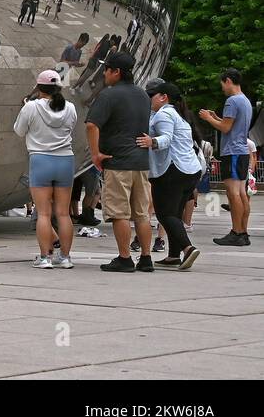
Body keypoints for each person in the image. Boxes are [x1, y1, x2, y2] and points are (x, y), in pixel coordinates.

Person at [87, 52, 154, 272]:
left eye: (106, 69)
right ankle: (146, 258)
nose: (104, 73)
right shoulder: (144, 95)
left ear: (116, 72)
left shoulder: (109, 95)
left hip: (118, 162)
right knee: (142, 214)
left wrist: (95, 154)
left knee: (119, 213)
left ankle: (124, 258)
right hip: (141, 163)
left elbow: (92, 125)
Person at [14, 70, 77, 268]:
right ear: (59, 87)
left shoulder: (31, 107)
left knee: (43, 214)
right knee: (64, 213)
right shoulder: (70, 108)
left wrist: (25, 108)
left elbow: (19, 130)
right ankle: (65, 258)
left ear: (39, 87)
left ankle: (44, 258)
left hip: (41, 160)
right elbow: (71, 128)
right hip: (65, 160)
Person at [140, 81, 202, 270]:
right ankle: (173, 256)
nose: (149, 100)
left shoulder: (164, 114)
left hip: (172, 171)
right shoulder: (179, 114)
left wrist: (151, 141)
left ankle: (188, 248)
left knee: (164, 214)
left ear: (163, 97)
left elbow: (166, 139)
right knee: (175, 213)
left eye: (151, 96)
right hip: (190, 170)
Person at [199, 68, 253, 246]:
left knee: (233, 193)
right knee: (242, 193)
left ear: (228, 81)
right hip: (243, 151)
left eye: (222, 84)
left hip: (232, 152)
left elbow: (226, 129)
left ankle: (236, 232)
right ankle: (243, 232)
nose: (222, 88)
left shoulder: (231, 101)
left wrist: (208, 118)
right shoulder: (244, 100)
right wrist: (217, 118)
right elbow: (230, 124)